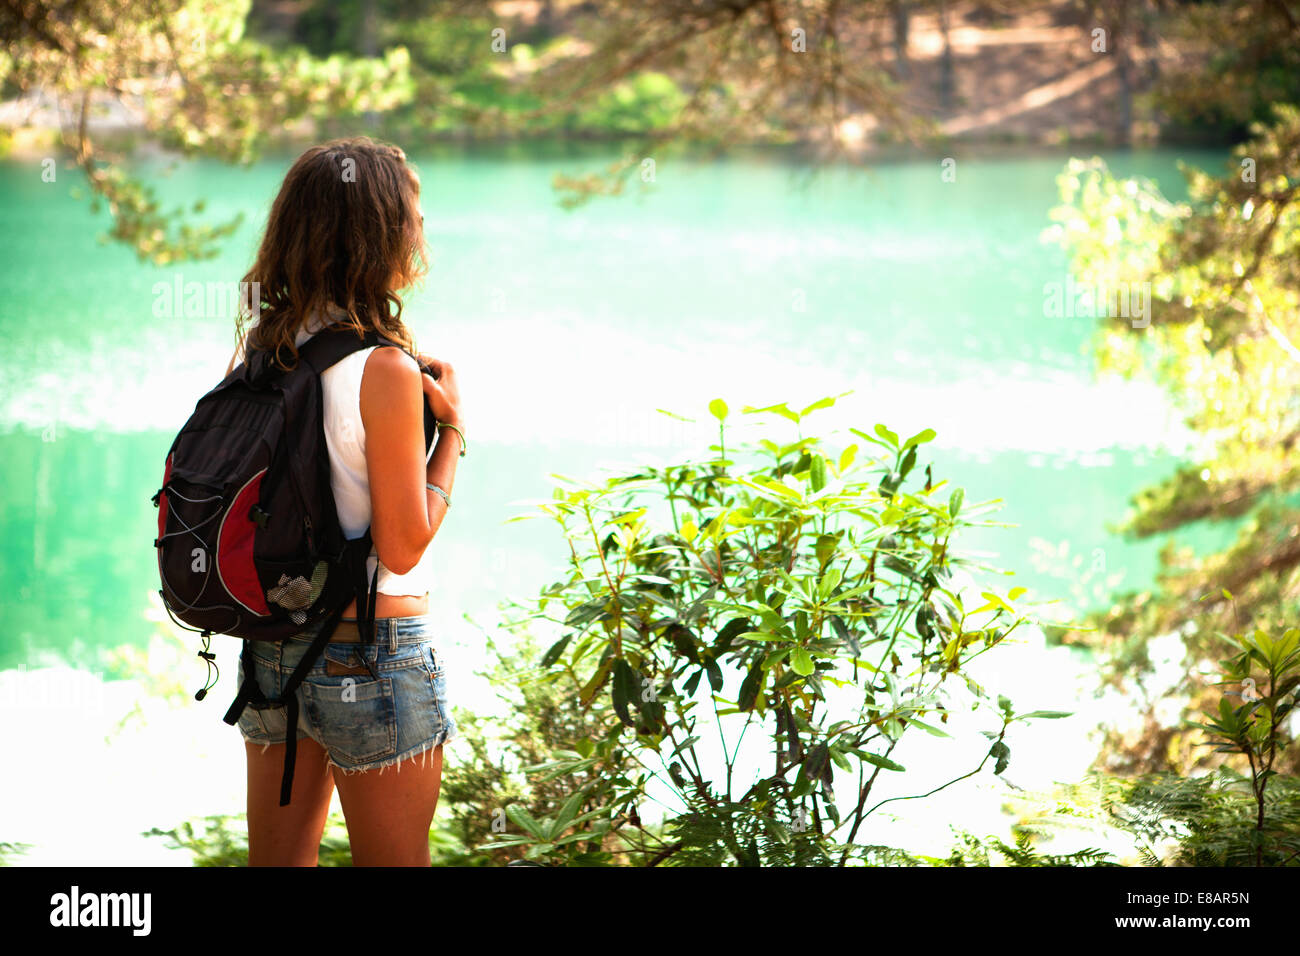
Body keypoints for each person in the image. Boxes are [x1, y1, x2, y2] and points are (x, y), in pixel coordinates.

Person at [222, 137, 465, 866]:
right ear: (384, 234)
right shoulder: (385, 368)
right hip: (374, 650)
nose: (420, 234)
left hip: (273, 651)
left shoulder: (265, 350)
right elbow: (402, 545)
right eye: (412, 218)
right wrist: (452, 431)